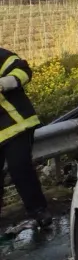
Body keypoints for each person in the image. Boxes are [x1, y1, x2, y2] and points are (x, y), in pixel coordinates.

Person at [0, 45, 50, 226]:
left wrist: (5, 83)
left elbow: (23, 70)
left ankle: (38, 211)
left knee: (20, 169)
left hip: (17, 124)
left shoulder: (1, 56)